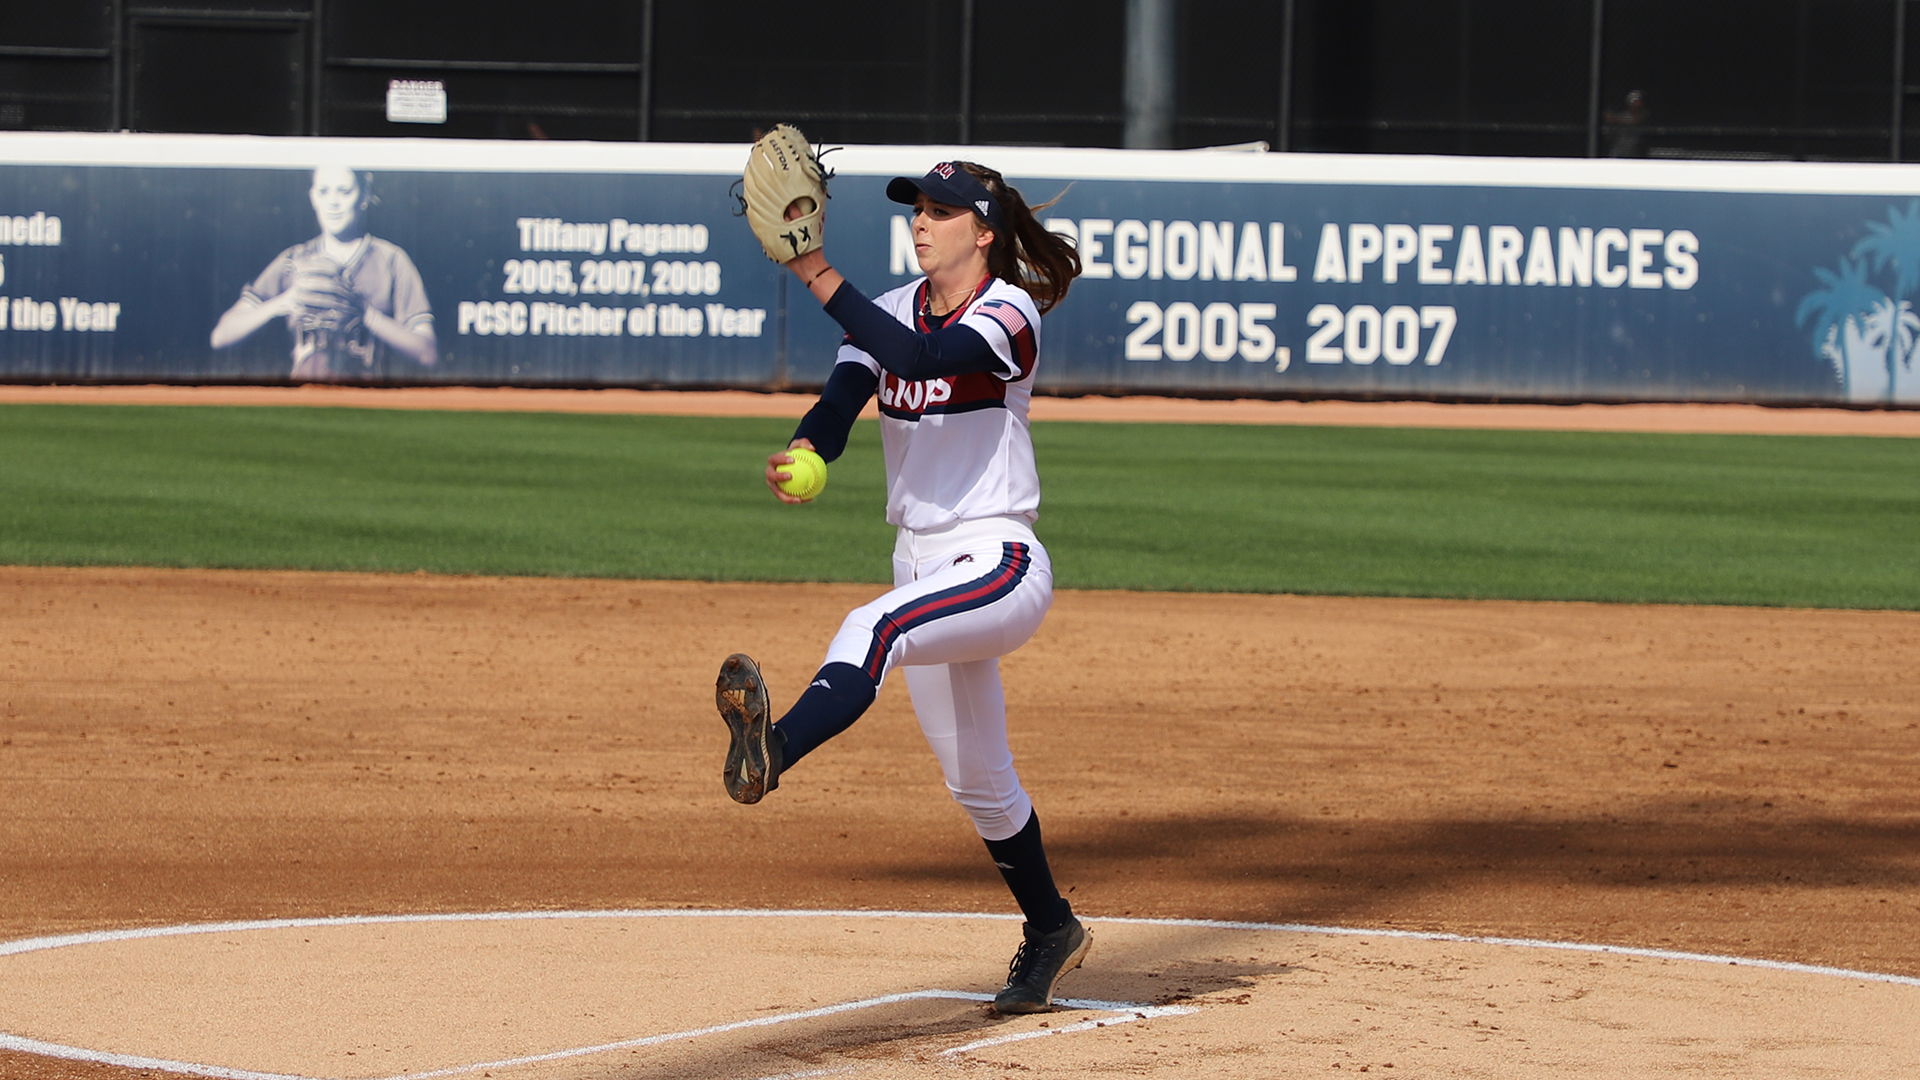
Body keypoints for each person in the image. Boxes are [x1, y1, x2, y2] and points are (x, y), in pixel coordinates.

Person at [717, 159, 1085, 1014]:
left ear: (984, 231)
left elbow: (923, 357)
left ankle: (772, 752)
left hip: (997, 560)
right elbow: (845, 396)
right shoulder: (886, 307)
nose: (922, 222)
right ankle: (1053, 928)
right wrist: (809, 450)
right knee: (978, 780)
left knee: (873, 628)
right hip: (919, 559)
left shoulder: (1009, 311)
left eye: (943, 211)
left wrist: (814, 270)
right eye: (918, 207)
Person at [211, 166, 437, 380]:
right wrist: (282, 302)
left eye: (344, 191)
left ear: (364, 197)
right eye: (324, 191)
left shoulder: (391, 260)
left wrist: (366, 314)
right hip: (304, 396)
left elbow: (427, 354)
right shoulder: (293, 260)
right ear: (313, 197)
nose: (334, 203)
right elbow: (221, 336)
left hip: (367, 398)